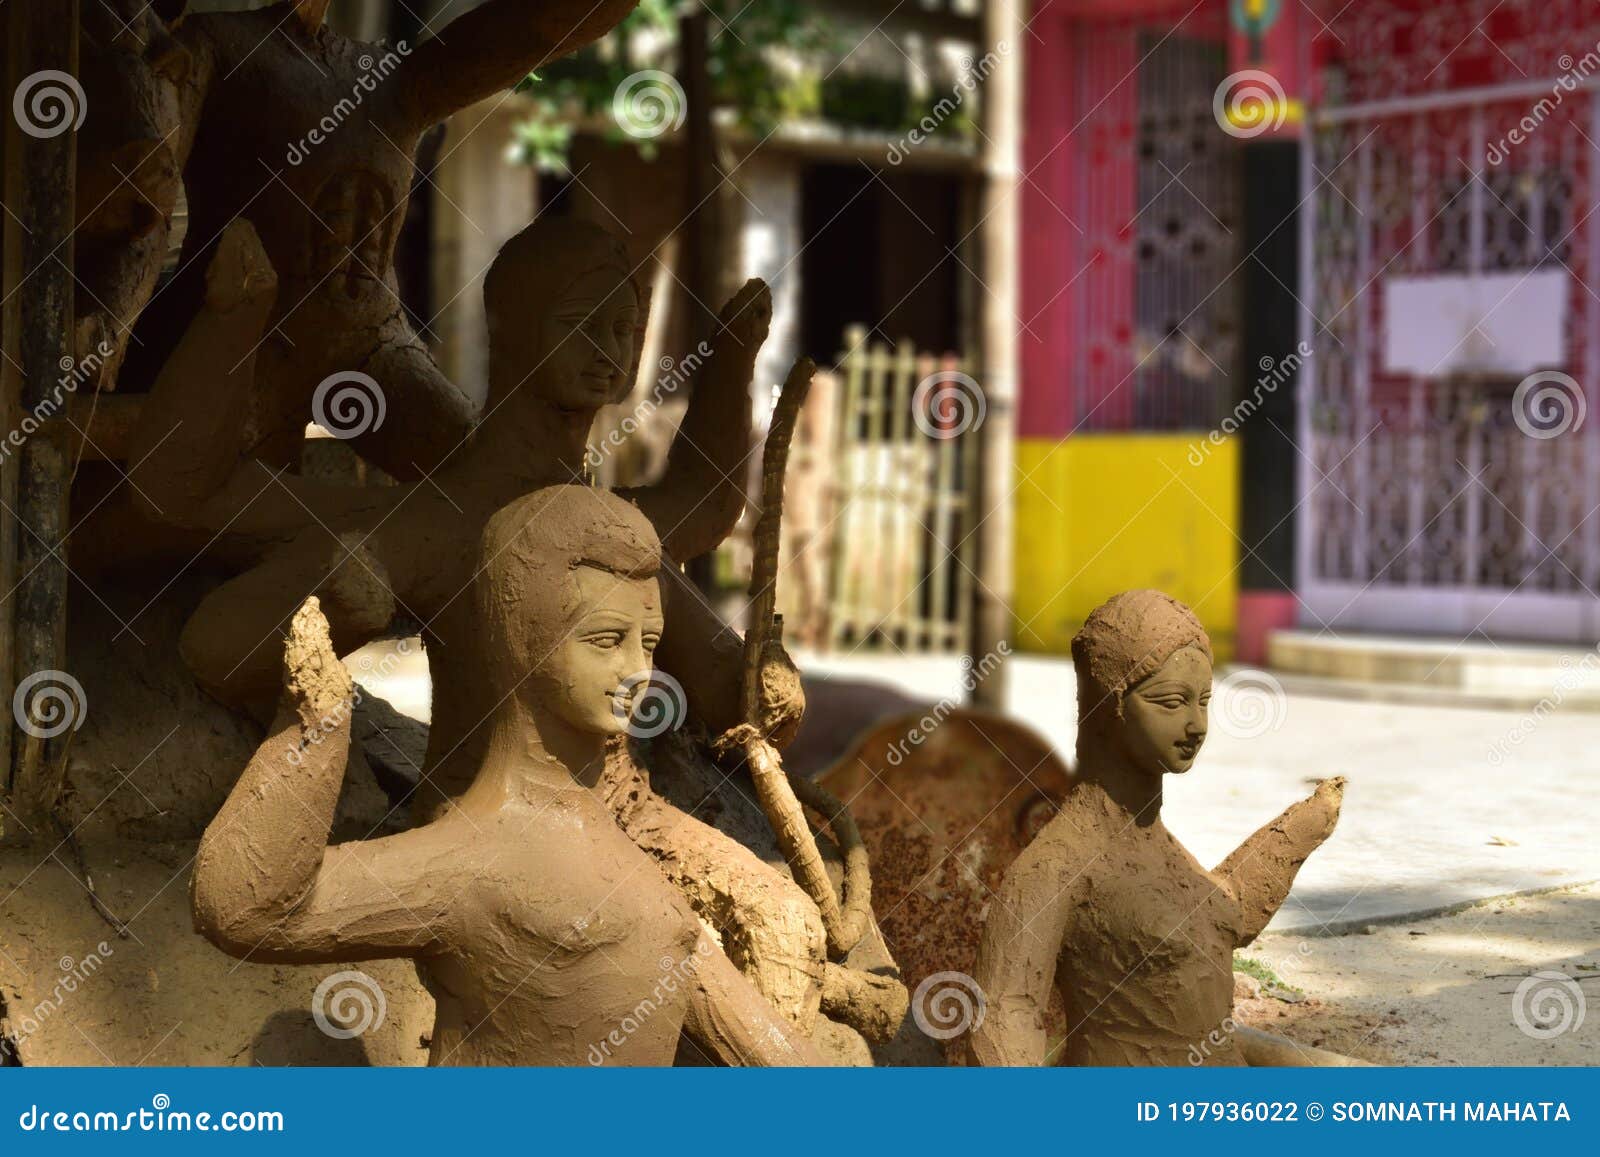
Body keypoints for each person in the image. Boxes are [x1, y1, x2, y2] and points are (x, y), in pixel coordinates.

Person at [190, 487, 822, 1066]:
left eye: (649, 643)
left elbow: (758, 1042)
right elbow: (247, 911)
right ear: (524, 639)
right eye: (606, 641)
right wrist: (313, 732)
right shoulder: (472, 858)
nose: (638, 672)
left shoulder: (616, 852)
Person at [968, 590, 1344, 1066]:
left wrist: (1300, 829)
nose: (1196, 725)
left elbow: (1224, 917)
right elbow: (1007, 1012)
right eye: (1170, 702)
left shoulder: (1156, 846)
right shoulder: (1056, 867)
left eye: (1203, 701)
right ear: (1112, 704)